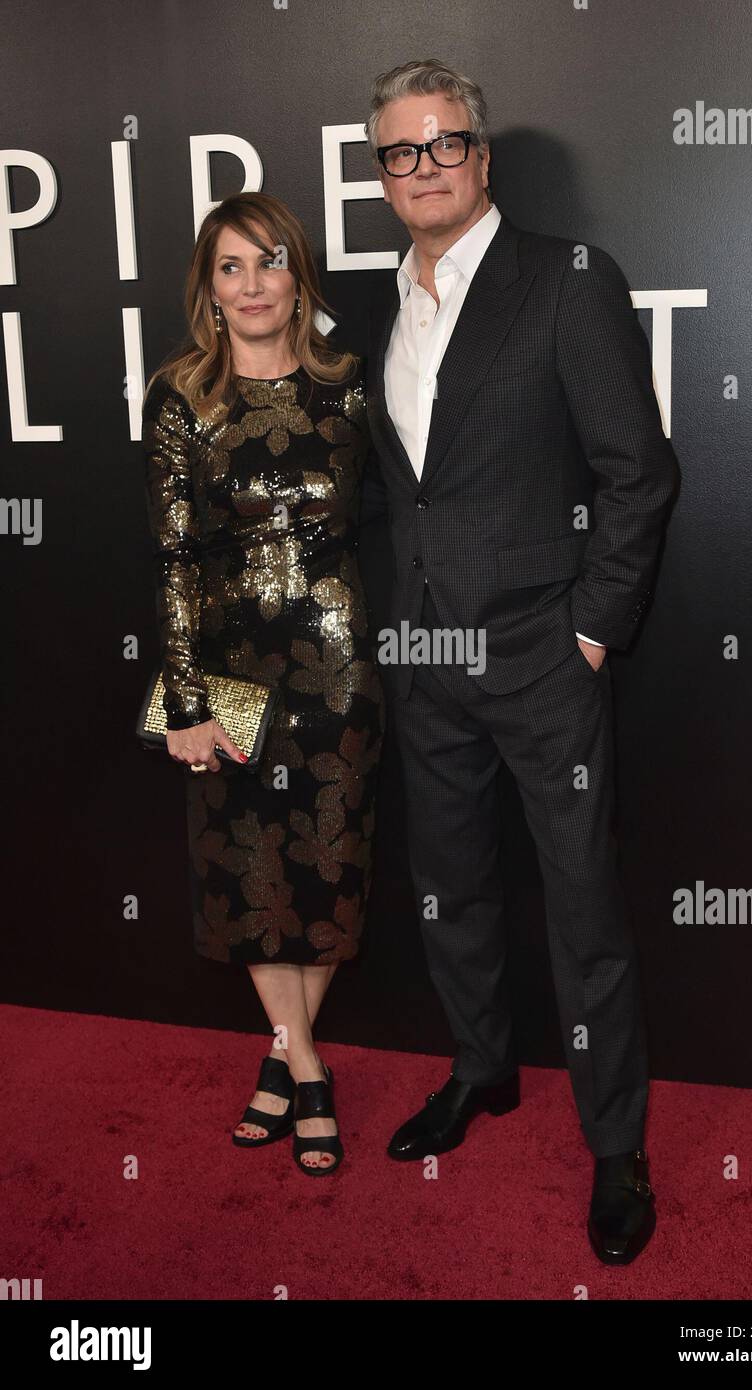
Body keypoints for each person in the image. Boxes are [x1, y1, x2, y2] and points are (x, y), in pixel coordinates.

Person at [361, 59, 679, 1261]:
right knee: (451, 890)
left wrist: (589, 627)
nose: (424, 164)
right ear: (381, 174)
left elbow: (636, 473)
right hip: (425, 654)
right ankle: (480, 1071)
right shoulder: (381, 297)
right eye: (400, 150)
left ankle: (615, 1148)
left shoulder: (562, 281)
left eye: (444, 144)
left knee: (583, 908)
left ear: (481, 160)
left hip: (544, 656)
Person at [142, 191, 383, 1175]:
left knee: (324, 874)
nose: (250, 284)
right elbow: (170, 558)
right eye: (228, 266)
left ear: (298, 277)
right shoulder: (181, 398)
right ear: (208, 286)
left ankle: (285, 1058)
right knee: (250, 877)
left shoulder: (348, 389)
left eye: (268, 261)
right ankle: (307, 1068)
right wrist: (185, 701)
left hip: (338, 666)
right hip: (233, 669)